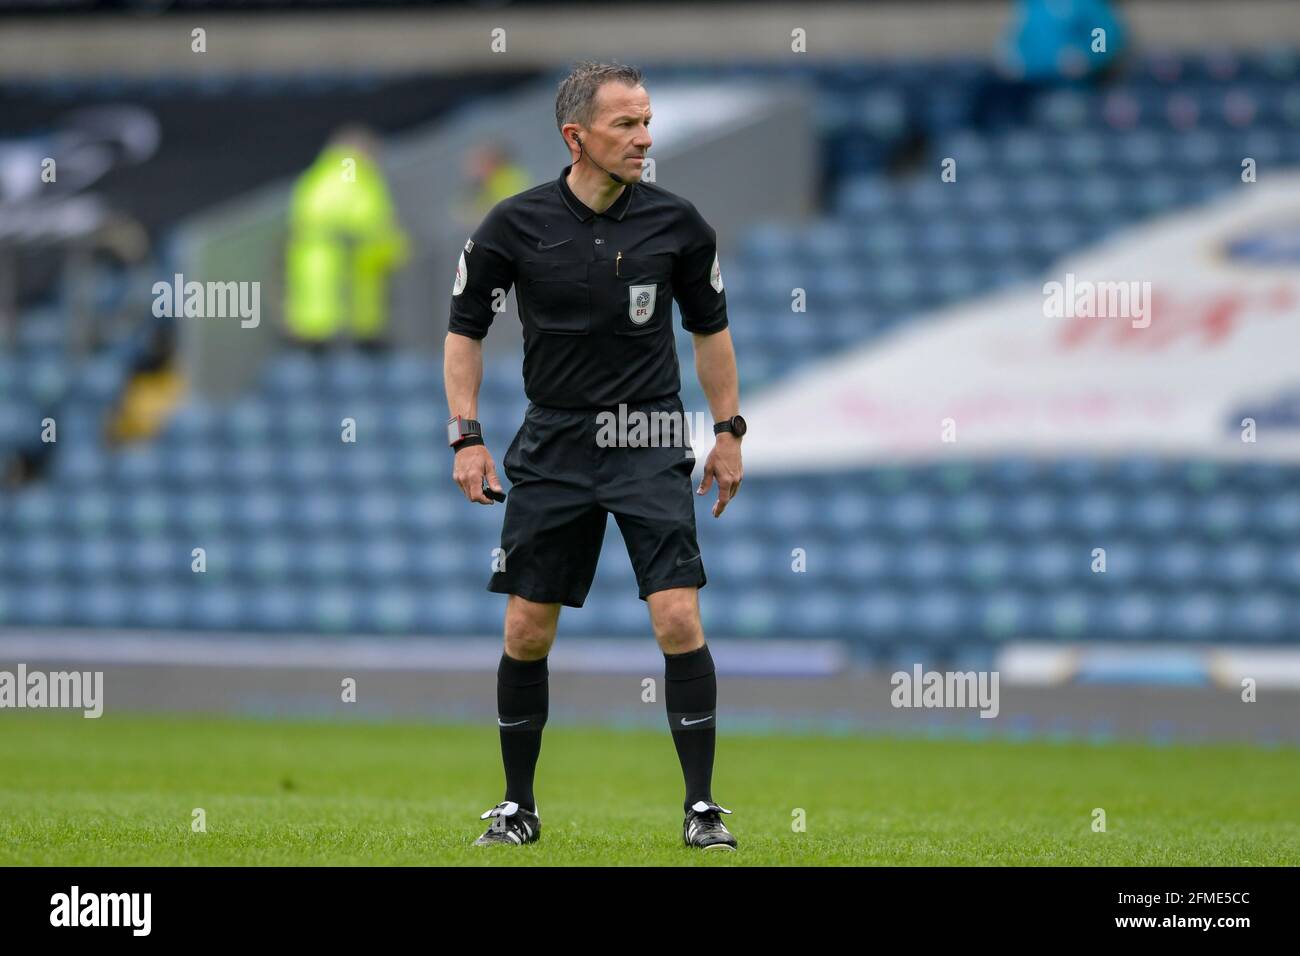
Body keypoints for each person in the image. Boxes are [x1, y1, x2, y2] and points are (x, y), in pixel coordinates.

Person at [444, 61, 746, 851]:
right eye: (627, 125)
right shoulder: (511, 226)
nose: (644, 138)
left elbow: (710, 333)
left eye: (647, 122)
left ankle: (703, 808)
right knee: (525, 632)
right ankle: (517, 807)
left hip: (647, 433)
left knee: (678, 616)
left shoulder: (679, 224)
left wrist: (728, 431)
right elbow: (464, 333)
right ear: (575, 137)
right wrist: (466, 435)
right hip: (555, 438)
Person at [283, 125, 409, 350]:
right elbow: (366, 221)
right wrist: (393, 247)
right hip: (347, 276)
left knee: (319, 345)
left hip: (320, 274)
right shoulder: (350, 174)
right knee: (347, 358)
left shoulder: (316, 176)